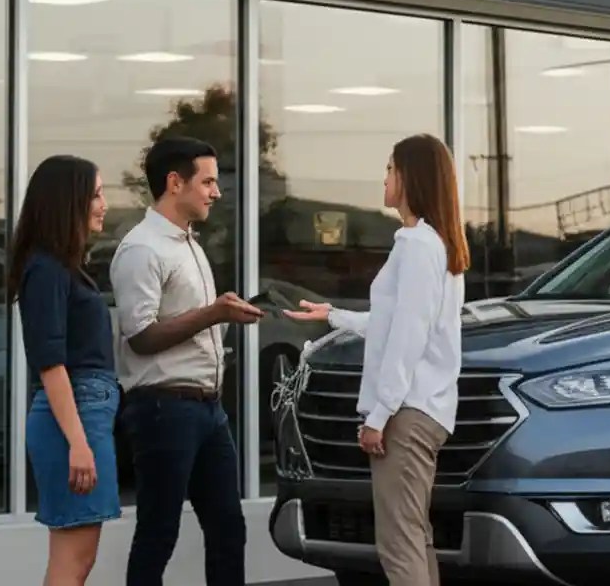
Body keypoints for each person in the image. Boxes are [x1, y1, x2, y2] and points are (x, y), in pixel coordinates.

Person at [285, 133, 468, 586]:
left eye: (389, 169)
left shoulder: (419, 245)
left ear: (409, 177)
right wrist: (334, 316)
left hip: (407, 413)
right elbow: (397, 320)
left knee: (398, 545)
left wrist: (380, 414)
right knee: (413, 537)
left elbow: (408, 337)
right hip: (423, 409)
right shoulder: (431, 244)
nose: (383, 178)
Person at [109, 136, 263, 586]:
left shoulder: (189, 245)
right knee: (159, 531)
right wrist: (214, 312)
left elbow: (188, 324)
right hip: (163, 409)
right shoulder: (142, 249)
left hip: (207, 410)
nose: (216, 192)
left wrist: (223, 320)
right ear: (175, 182)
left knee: (228, 529)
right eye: (208, 181)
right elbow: (140, 337)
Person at [10, 154, 118, 586]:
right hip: (75, 415)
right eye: (95, 194)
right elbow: (50, 362)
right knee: (74, 560)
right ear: (67, 201)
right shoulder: (46, 269)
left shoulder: (60, 267)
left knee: (77, 558)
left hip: (86, 410)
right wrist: (78, 443)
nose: (104, 204)